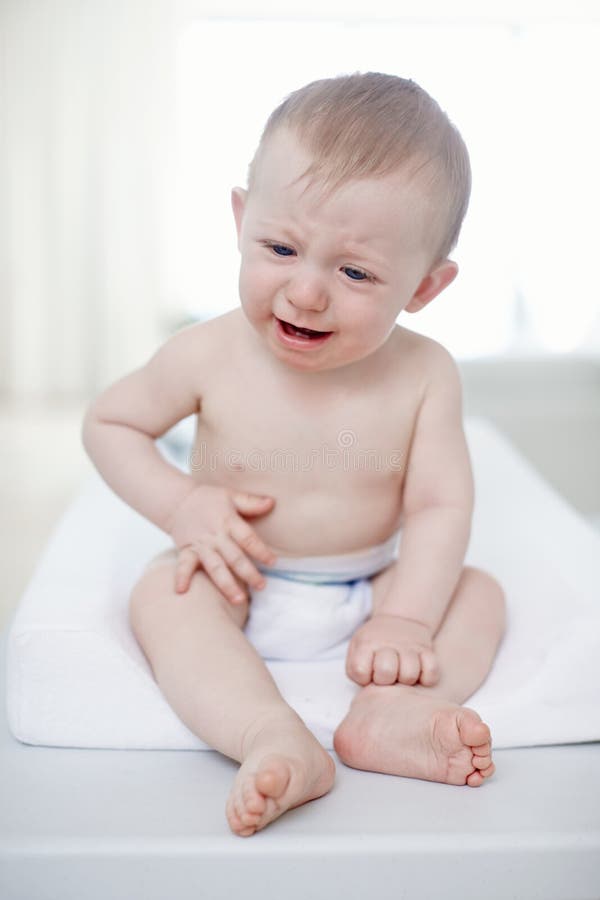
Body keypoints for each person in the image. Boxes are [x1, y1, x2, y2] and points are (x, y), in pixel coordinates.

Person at [82, 72, 506, 838]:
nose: (306, 293)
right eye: (280, 247)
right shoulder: (209, 352)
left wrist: (407, 617)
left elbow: (439, 503)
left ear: (425, 286)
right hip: (239, 573)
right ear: (242, 220)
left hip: (370, 579)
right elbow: (111, 423)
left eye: (355, 273)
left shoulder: (425, 374)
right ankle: (268, 734)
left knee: (478, 595)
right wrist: (182, 505)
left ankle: (390, 713)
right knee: (165, 600)